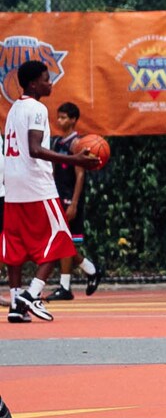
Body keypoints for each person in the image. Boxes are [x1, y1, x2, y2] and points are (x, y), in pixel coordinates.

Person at [5, 62, 98, 323]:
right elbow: (35, 149)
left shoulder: (14, 108)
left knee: (16, 247)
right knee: (60, 239)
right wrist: (77, 159)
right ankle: (31, 294)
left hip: (14, 186)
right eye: (47, 79)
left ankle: (15, 303)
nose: (50, 83)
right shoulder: (36, 108)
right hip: (36, 186)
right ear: (34, 84)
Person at [46, 100, 101, 299]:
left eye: (63, 117)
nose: (59, 121)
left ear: (73, 120)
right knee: (60, 241)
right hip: (58, 195)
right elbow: (53, 171)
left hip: (70, 197)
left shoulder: (78, 143)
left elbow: (80, 175)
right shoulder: (56, 142)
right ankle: (91, 270)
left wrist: (75, 203)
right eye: (58, 117)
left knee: (65, 241)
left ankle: (66, 286)